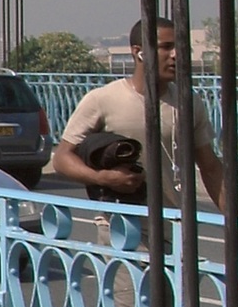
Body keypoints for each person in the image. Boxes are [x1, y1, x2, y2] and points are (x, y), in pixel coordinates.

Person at [48, 18, 223, 207]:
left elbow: (210, 167)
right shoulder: (103, 99)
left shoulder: (188, 102)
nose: (175, 55)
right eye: (166, 47)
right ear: (138, 52)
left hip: (175, 225)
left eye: (180, 47)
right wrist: (102, 178)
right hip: (123, 228)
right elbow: (62, 158)